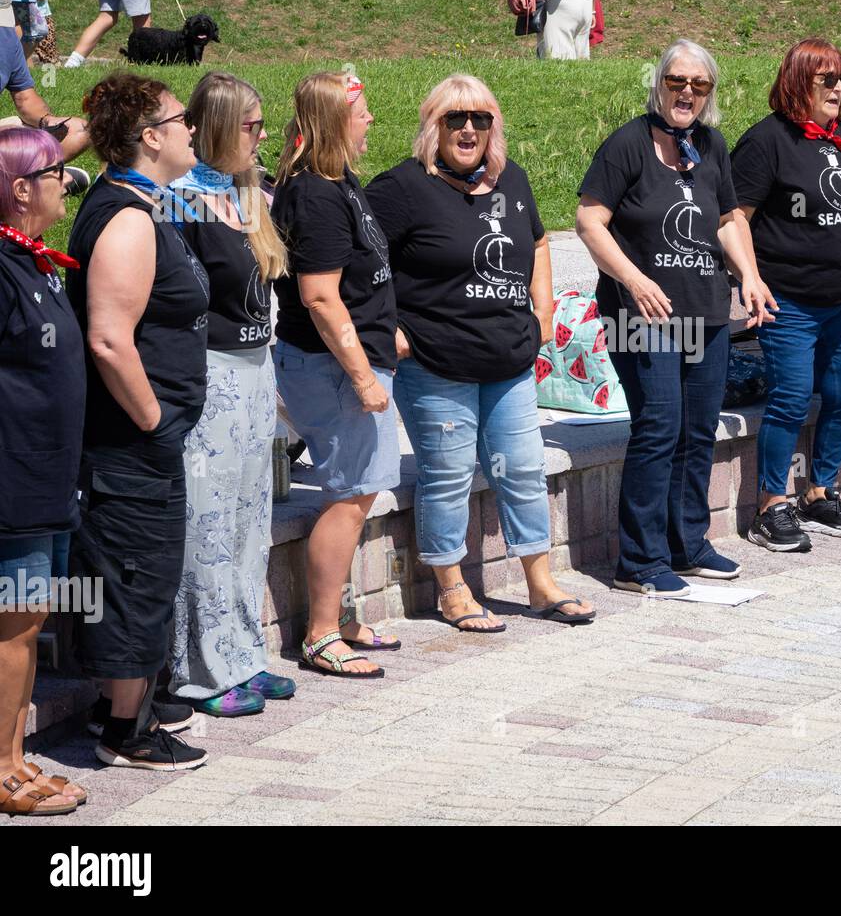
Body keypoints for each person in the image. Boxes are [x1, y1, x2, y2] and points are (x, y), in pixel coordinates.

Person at [367, 75, 595, 631]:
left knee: (521, 468)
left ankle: (540, 582)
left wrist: (543, 313)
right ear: (433, 126)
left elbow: (539, 240)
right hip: (435, 362)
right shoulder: (398, 189)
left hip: (509, 359)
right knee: (447, 474)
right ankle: (452, 588)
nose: (469, 129)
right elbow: (361, 265)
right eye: (455, 119)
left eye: (481, 119)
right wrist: (389, 329)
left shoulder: (509, 179)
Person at [578, 39, 772, 597]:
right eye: (677, 82)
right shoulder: (627, 146)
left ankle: (688, 544)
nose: (687, 93)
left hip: (705, 311)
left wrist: (751, 277)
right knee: (659, 425)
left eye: (700, 85)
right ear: (658, 83)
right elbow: (590, 221)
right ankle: (638, 562)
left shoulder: (711, 146)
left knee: (696, 428)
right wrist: (633, 280)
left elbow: (729, 218)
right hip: (642, 317)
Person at [66, 72, 208, 770]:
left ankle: (131, 700)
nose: (190, 129)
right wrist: (155, 421)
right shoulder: (125, 218)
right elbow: (109, 338)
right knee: (134, 573)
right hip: (130, 445)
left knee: (144, 572)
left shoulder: (142, 205)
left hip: (142, 442)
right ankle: (125, 730)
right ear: (150, 137)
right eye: (180, 120)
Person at [731, 37, 841, 551]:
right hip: (791, 299)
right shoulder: (767, 141)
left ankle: (818, 493)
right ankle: (769, 505)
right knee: (788, 398)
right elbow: (737, 215)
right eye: (826, 79)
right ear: (797, 81)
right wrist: (750, 278)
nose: (838, 88)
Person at [166, 72, 296, 716]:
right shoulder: (181, 200)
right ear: (219, 127)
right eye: (253, 126)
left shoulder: (250, 193)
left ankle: (245, 653)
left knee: (251, 521)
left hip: (254, 370)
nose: (263, 136)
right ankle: (201, 669)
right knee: (207, 526)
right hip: (210, 375)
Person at [272, 71, 399, 678]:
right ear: (334, 123)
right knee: (349, 495)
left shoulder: (333, 179)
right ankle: (321, 633)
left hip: (349, 360)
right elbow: (321, 298)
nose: (370, 119)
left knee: (356, 490)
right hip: (333, 369)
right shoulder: (317, 196)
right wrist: (363, 375)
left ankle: (339, 614)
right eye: (363, 111)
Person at [0, 127, 88, 815]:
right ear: (21, 188)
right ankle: (0, 765)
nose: (68, 179)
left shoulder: (37, 262)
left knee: (29, 624)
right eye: (55, 171)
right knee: (13, 625)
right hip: (14, 483)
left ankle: (14, 754)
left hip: (49, 482)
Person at [1, 14, 90, 161]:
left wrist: (48, 120)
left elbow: (25, 97)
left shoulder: (7, 37)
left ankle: (46, 173)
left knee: (79, 131)